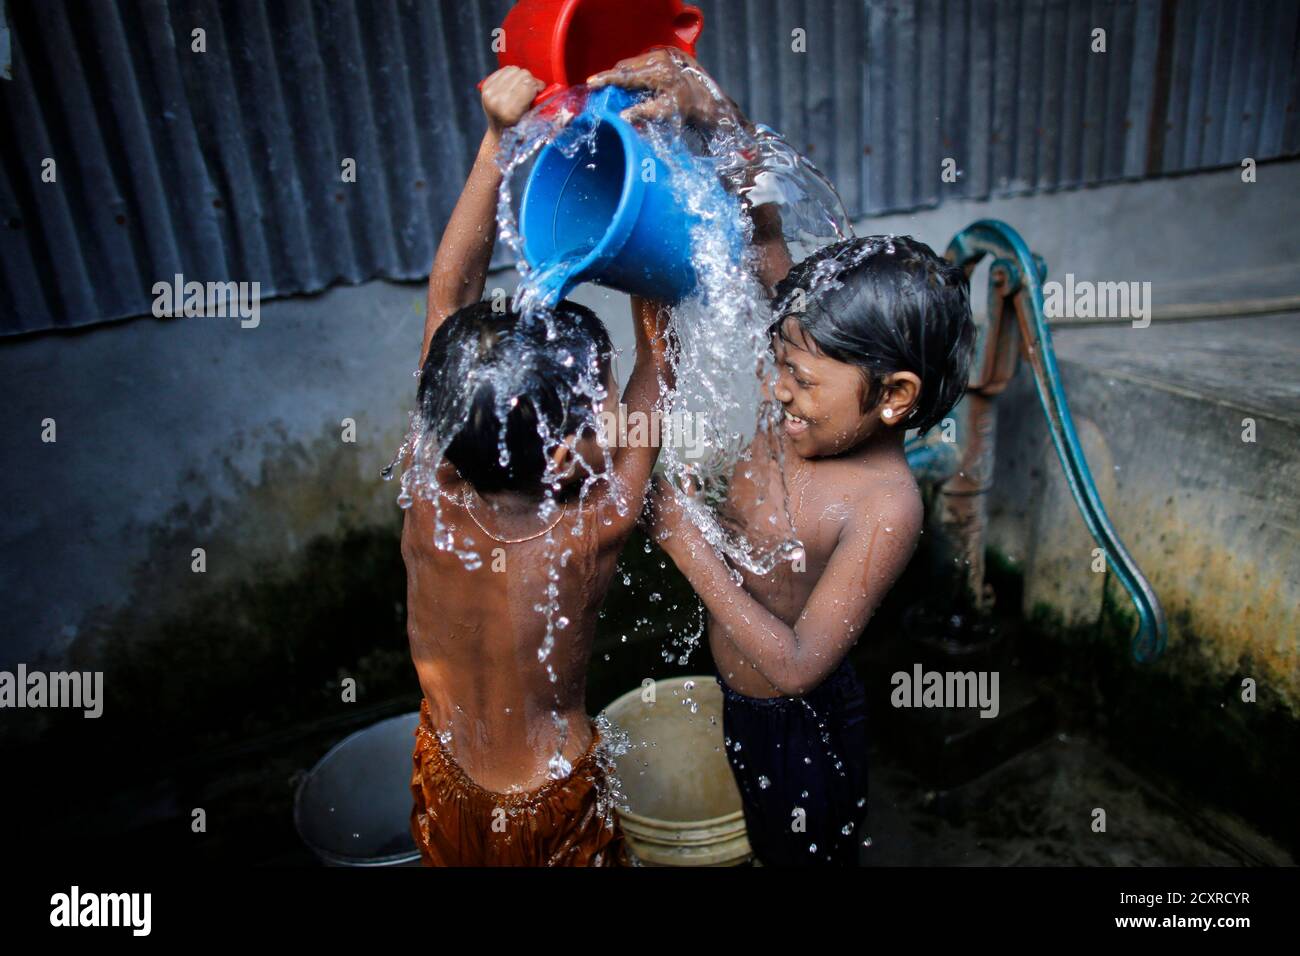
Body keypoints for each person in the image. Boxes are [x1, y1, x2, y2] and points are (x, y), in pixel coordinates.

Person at [401, 65, 672, 866]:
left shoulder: (429, 481)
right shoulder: (599, 523)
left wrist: (496, 139)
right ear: (561, 454)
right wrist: (652, 223)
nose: (614, 408)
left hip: (445, 777)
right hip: (553, 809)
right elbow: (660, 361)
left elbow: (448, 301)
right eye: (602, 399)